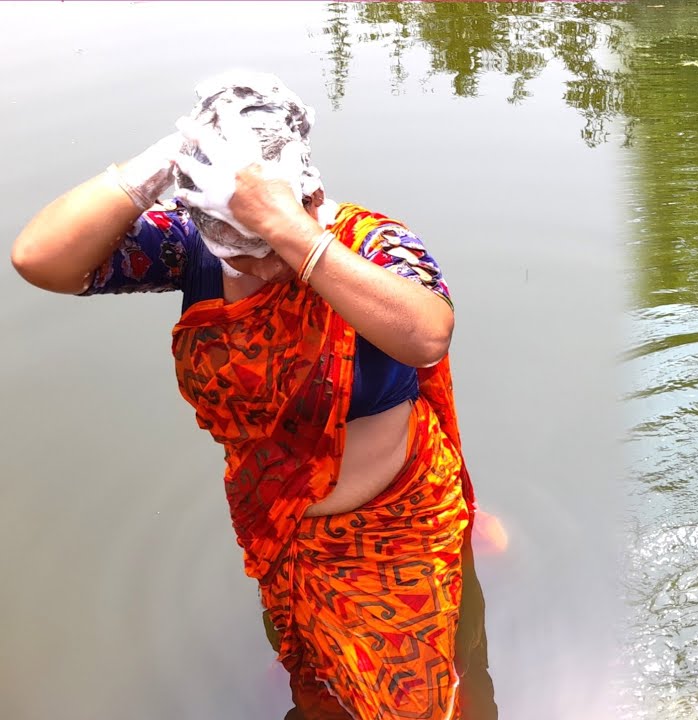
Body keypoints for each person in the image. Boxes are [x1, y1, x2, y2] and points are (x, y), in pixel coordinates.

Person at [10, 71, 486, 719]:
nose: (264, 269)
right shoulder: (193, 250)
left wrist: (288, 231)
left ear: (311, 196)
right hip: (278, 526)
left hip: (391, 532)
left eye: (270, 246)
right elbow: (41, 259)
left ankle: (463, 542)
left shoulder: (370, 246)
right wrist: (166, 161)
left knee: (417, 703)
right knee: (315, 675)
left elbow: (428, 335)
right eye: (240, 248)